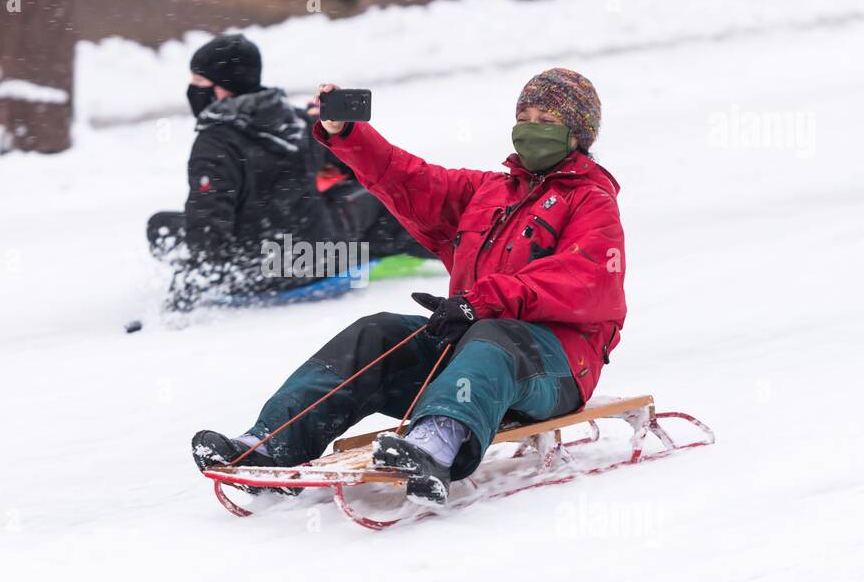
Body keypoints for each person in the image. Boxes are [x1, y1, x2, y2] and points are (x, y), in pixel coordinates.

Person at [192, 68, 626, 506]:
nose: (531, 129)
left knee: (493, 334)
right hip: (473, 358)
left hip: (553, 370)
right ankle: (272, 443)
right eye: (525, 117)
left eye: (546, 122)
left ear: (577, 135)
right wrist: (347, 133)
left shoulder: (592, 201)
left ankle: (434, 447)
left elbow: (585, 282)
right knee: (378, 331)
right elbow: (409, 178)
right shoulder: (491, 191)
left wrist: (478, 303)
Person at [147, 34, 428, 310]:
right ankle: (427, 243)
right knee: (367, 196)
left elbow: (207, 228)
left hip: (264, 273)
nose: (193, 89)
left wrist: (179, 301)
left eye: (199, 81)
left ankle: (381, 245)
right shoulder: (295, 120)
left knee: (161, 226)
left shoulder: (215, 142)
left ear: (222, 87)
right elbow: (356, 164)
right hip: (322, 258)